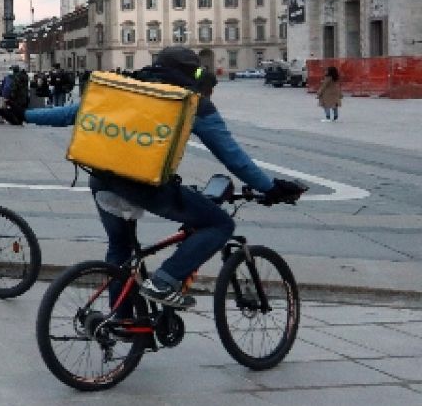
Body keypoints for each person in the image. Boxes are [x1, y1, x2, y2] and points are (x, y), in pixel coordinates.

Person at [21, 46, 300, 308]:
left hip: (102, 177)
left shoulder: (129, 87)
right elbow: (232, 157)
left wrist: (24, 114)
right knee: (219, 224)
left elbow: (72, 114)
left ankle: (120, 322)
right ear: (192, 73)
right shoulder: (190, 102)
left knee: (121, 249)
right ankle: (165, 281)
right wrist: (270, 187)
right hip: (144, 186)